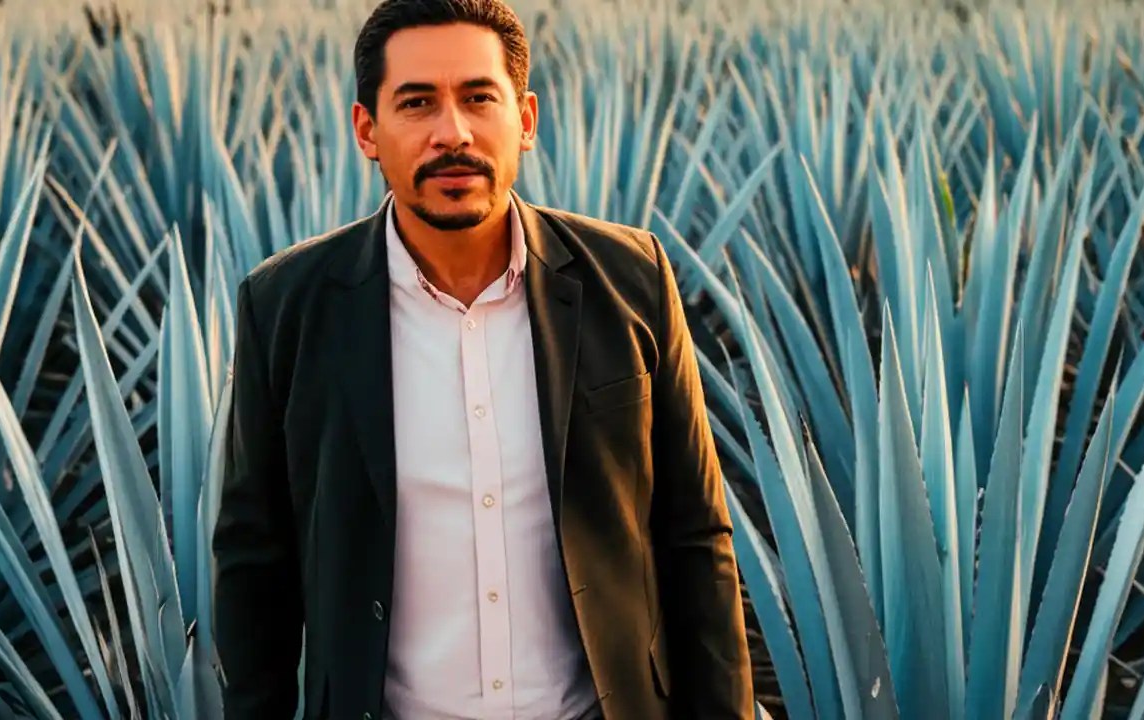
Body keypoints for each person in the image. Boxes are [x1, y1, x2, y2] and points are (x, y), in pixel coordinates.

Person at [211, 0, 754, 718]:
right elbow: (256, 567)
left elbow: (694, 532)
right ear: (366, 130)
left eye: (478, 98)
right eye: (417, 103)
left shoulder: (630, 280)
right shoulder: (285, 307)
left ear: (524, 120)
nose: (453, 134)